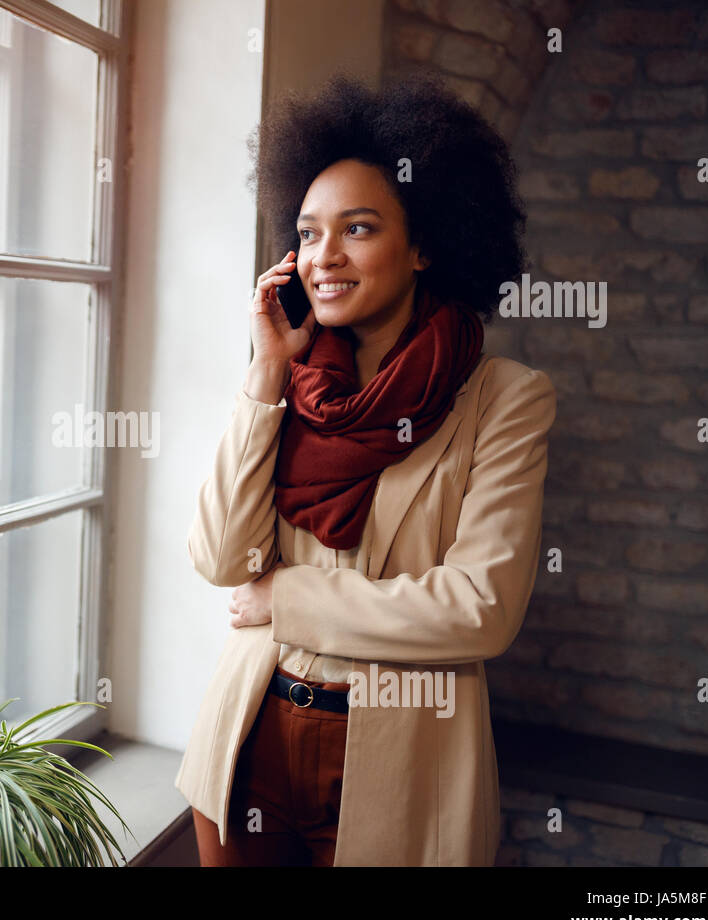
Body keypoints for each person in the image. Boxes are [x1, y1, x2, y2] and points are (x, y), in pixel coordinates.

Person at [175, 72, 558, 866]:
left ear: (423, 246)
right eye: (309, 234)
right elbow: (222, 559)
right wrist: (265, 377)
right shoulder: (293, 381)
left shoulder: (505, 400)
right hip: (250, 735)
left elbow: (479, 608)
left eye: (357, 229)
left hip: (400, 763)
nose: (325, 257)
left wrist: (287, 594)